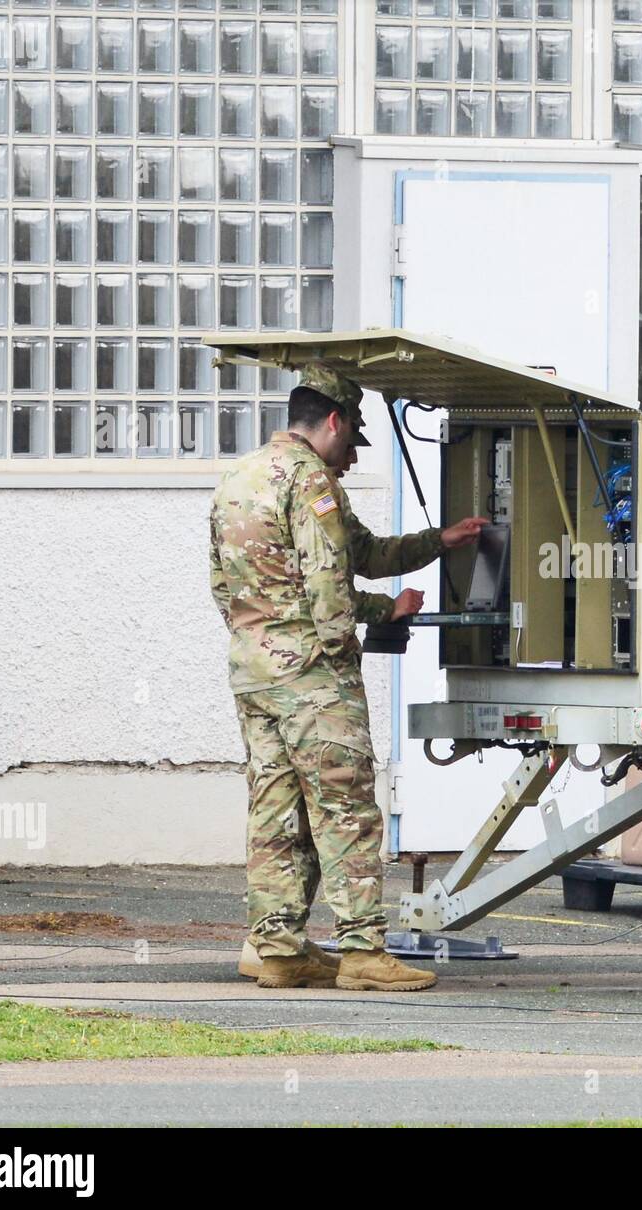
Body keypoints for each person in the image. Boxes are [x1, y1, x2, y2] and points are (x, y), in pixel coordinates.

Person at [210, 364, 486, 990]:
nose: (352, 455)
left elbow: (232, 582)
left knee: (277, 812)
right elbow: (331, 593)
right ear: (334, 420)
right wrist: (381, 613)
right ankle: (363, 952)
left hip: (254, 670)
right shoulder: (310, 481)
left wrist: (440, 540)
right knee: (346, 808)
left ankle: (276, 950)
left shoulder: (239, 477)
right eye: (354, 435)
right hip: (313, 677)